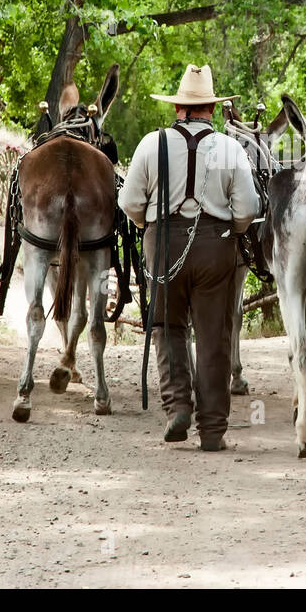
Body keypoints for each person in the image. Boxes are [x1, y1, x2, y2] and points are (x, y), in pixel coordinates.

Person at [118, 64, 261, 452]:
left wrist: (150, 226)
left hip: (162, 243)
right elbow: (248, 207)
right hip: (216, 245)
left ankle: (178, 406)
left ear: (178, 108)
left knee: (167, 325)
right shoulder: (231, 148)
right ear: (211, 110)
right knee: (214, 335)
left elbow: (130, 202)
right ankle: (212, 429)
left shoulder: (152, 144)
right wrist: (228, 228)